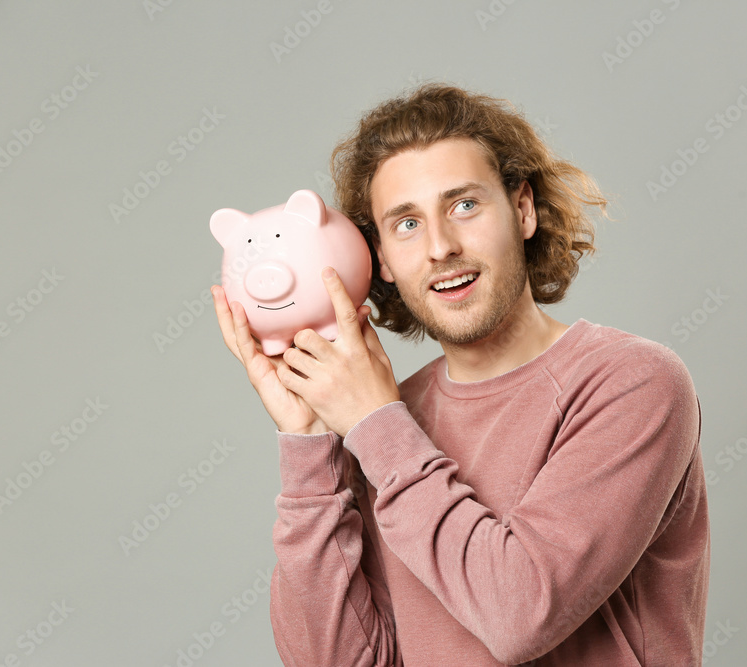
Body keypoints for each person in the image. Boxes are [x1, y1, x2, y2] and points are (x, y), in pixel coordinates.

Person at [210, 83, 709, 666]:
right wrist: (309, 447)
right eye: (406, 224)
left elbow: (522, 615)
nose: (441, 247)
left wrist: (375, 425)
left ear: (522, 209)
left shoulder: (633, 382)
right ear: (382, 261)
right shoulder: (385, 424)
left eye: (464, 205)